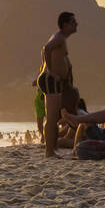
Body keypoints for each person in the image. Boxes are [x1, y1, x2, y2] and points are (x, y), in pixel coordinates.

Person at [37, 12, 78, 158]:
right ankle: (49, 151)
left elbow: (48, 52)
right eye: (73, 22)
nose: (76, 24)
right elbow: (46, 48)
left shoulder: (61, 38)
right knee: (52, 117)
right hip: (51, 81)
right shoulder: (59, 37)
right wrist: (50, 71)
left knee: (55, 117)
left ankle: (53, 148)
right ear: (65, 24)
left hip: (56, 81)